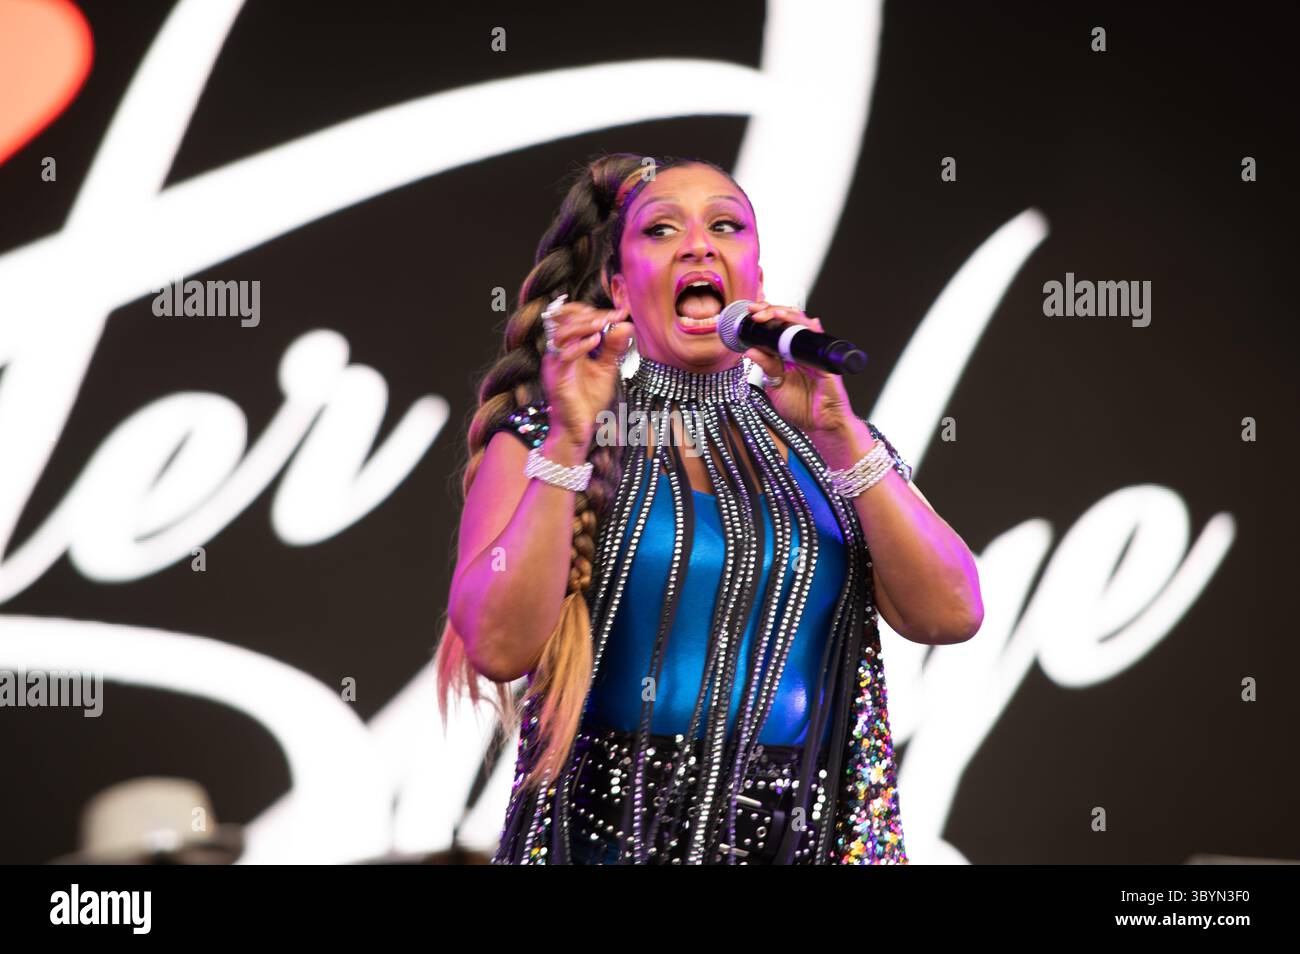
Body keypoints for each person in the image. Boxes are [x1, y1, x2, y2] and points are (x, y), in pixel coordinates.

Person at [435, 153, 983, 864]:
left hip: (798, 843)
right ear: (619, 288)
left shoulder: (829, 442)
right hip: (603, 841)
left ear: (754, 277)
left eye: (726, 225)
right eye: (661, 231)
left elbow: (952, 613)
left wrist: (842, 435)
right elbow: (499, 647)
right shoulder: (551, 440)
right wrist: (571, 435)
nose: (699, 244)